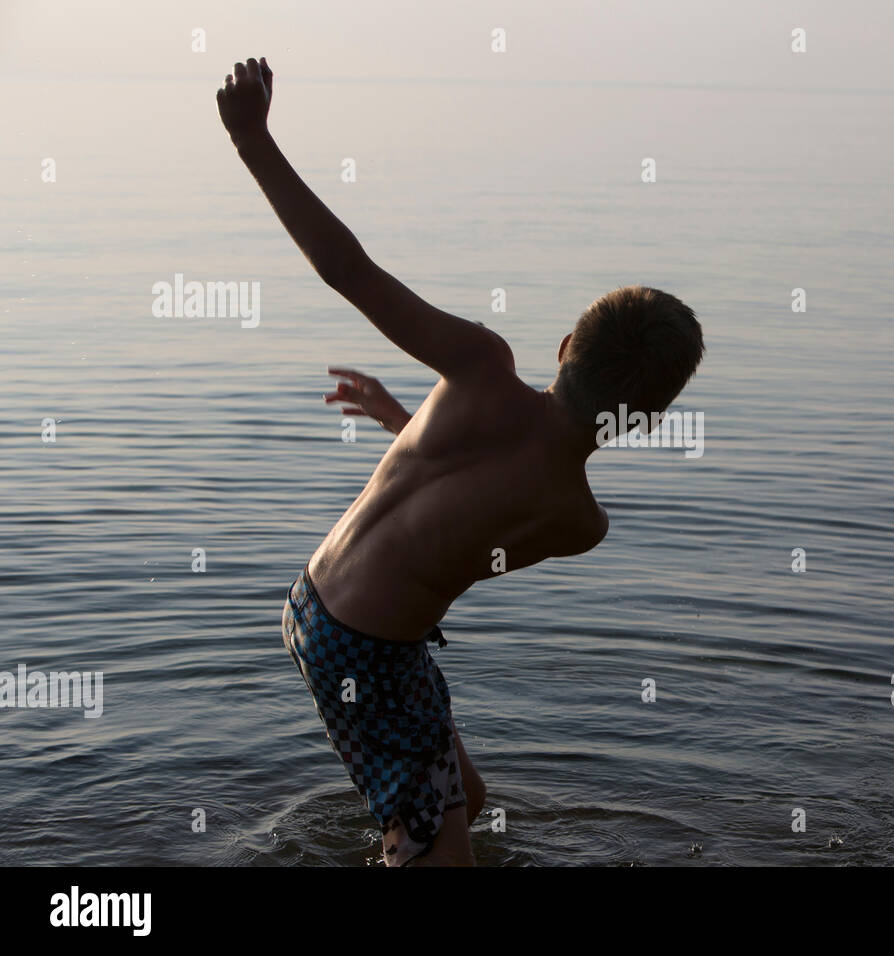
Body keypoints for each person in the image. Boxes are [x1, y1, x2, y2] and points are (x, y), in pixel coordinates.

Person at [217, 58, 704, 865]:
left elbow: (347, 270)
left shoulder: (479, 367)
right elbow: (478, 522)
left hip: (320, 605)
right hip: (367, 647)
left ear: (563, 348)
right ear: (646, 422)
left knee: (464, 801)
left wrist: (253, 139)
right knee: (432, 843)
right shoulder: (578, 520)